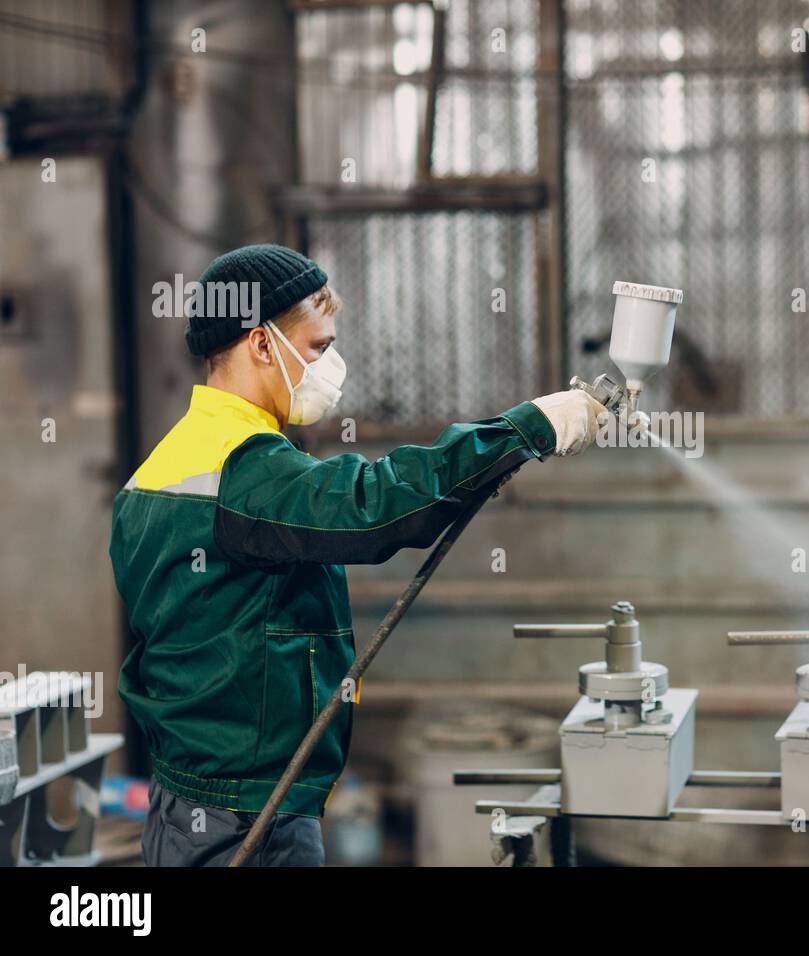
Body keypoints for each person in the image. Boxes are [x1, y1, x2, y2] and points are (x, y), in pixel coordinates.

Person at [110, 244, 605, 866]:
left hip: (182, 805)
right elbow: (374, 505)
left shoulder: (152, 476)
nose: (330, 366)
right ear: (262, 345)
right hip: (250, 819)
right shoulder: (246, 470)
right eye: (317, 348)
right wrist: (528, 427)